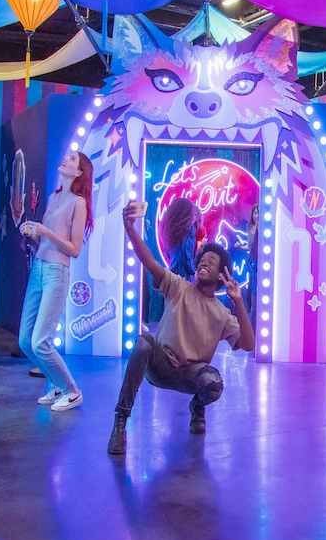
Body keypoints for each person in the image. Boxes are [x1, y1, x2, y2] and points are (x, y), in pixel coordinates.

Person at [108, 202, 255, 455]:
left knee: (214, 384)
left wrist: (239, 302)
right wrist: (130, 229)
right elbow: (148, 260)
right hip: (160, 366)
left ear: (221, 275)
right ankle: (120, 421)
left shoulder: (222, 313)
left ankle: (197, 407)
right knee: (143, 342)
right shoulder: (178, 287)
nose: (203, 263)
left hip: (190, 374)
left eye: (211, 262)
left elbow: (249, 344)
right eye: (202, 260)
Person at [19, 151, 94, 412]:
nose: (65, 159)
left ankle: (72, 390)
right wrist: (33, 232)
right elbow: (46, 240)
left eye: (72, 159)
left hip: (56, 272)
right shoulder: (53, 197)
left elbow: (74, 249)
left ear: (79, 172)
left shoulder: (78, 203)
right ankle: (56, 384)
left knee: (40, 340)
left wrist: (47, 232)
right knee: (25, 340)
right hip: (38, 269)